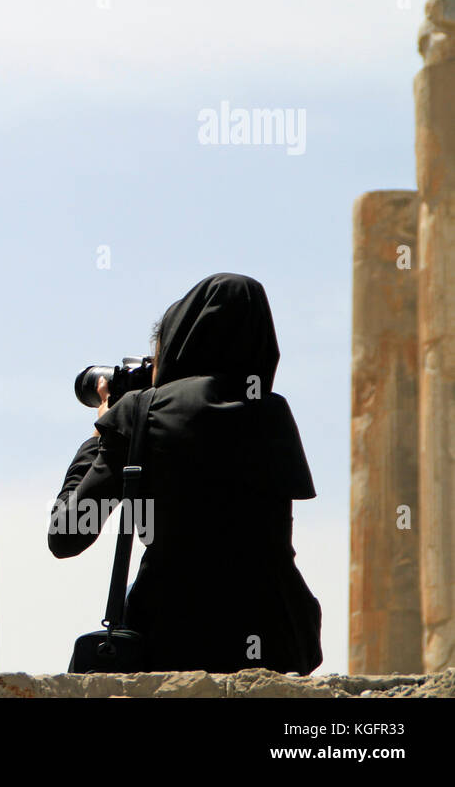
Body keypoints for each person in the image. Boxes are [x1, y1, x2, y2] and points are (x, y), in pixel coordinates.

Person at [48, 273, 323, 674]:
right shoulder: (274, 415)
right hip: (276, 638)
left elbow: (66, 535)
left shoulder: (143, 411)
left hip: (174, 639)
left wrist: (102, 433)